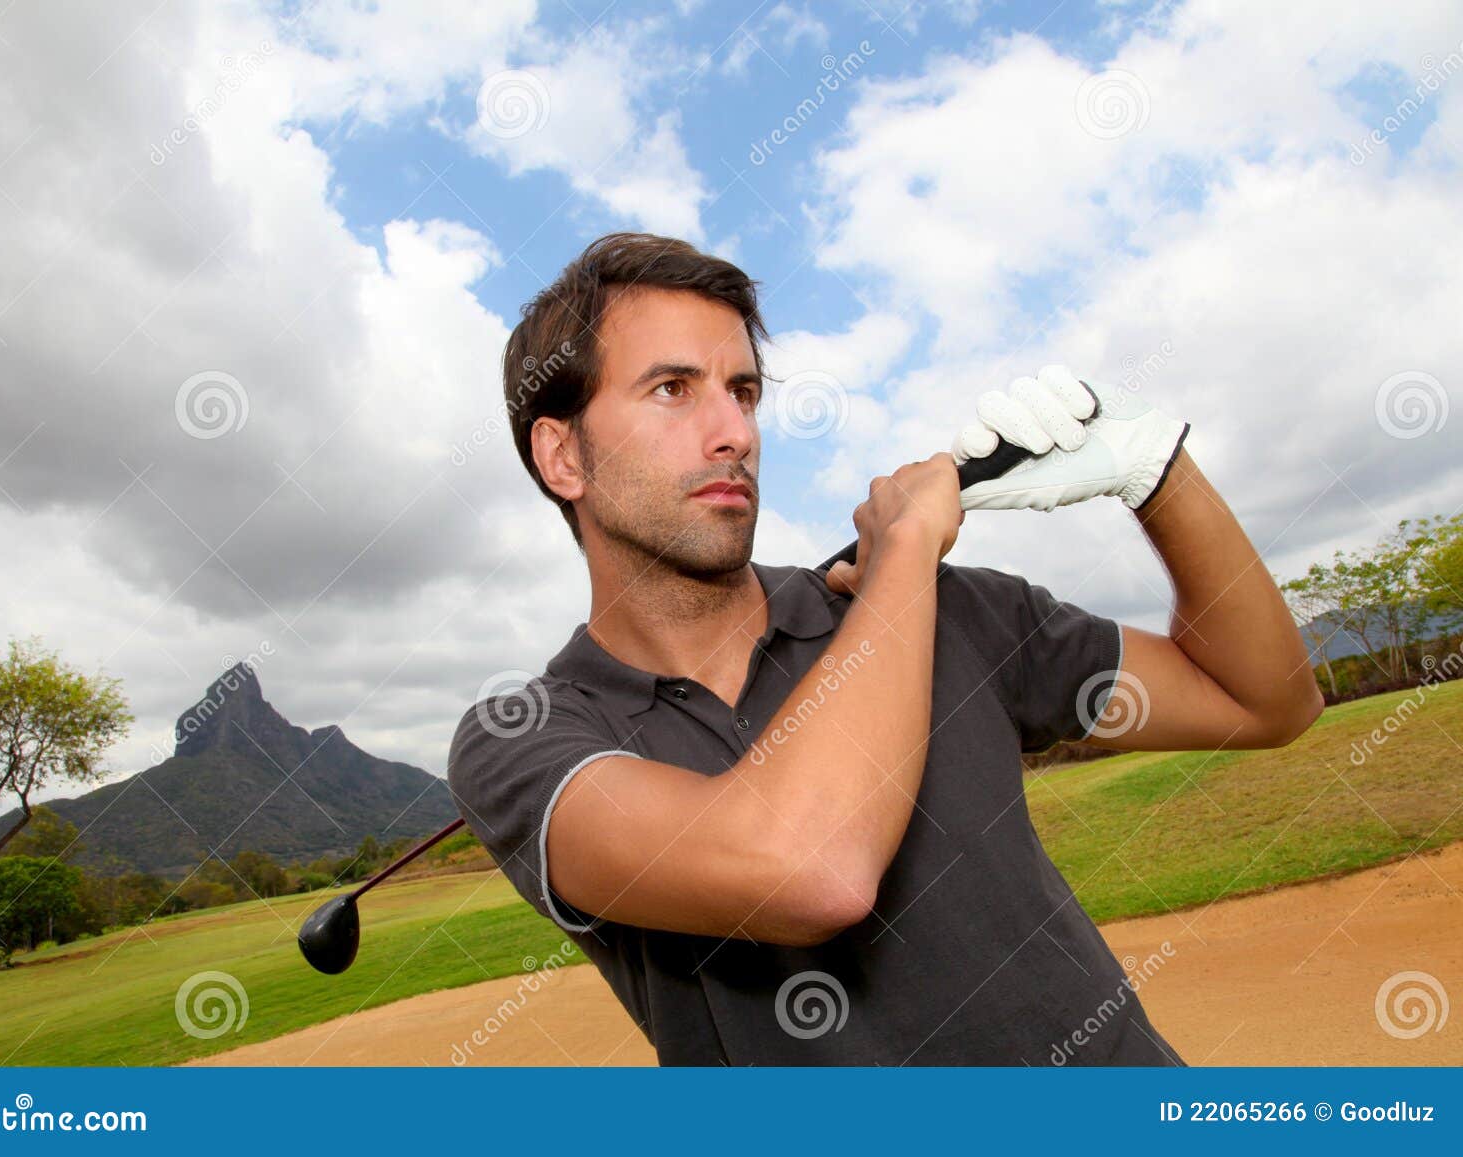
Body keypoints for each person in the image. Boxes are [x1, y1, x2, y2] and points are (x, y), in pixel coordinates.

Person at [446, 232, 1323, 1065]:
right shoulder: (522, 739)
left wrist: (1157, 473)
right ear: (563, 456)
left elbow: (1267, 700)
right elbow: (809, 871)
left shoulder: (950, 611)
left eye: (743, 392)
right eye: (673, 388)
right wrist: (907, 552)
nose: (736, 433)